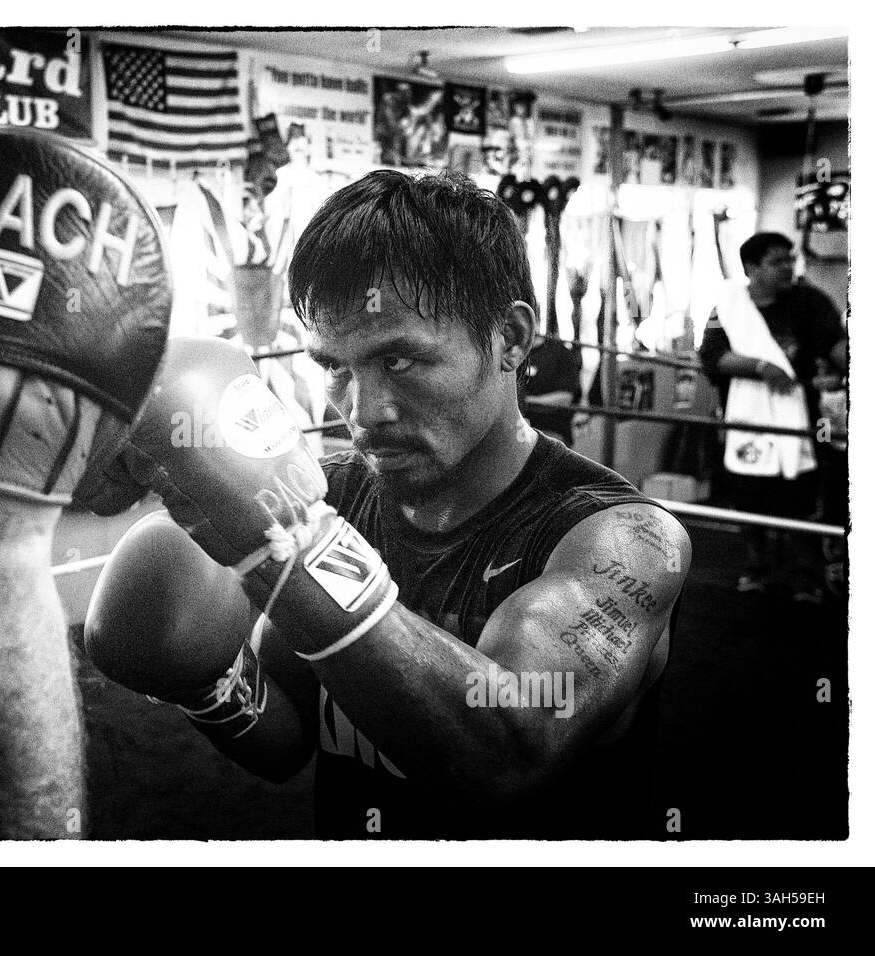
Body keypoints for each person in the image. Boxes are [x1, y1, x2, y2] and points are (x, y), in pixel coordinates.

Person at [86, 170, 691, 839]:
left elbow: (510, 756)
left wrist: (284, 539)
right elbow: (289, 742)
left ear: (511, 340)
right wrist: (210, 686)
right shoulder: (335, 496)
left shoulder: (623, 538)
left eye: (399, 361)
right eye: (337, 368)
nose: (363, 412)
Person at [698, 232, 847, 599]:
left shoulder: (808, 300)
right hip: (746, 419)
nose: (788, 267)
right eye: (777, 261)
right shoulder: (728, 306)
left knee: (805, 492)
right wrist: (761, 367)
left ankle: (809, 575)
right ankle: (757, 567)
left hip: (811, 419)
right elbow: (712, 355)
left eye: (789, 259)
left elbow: (836, 344)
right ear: (752, 268)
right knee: (750, 492)